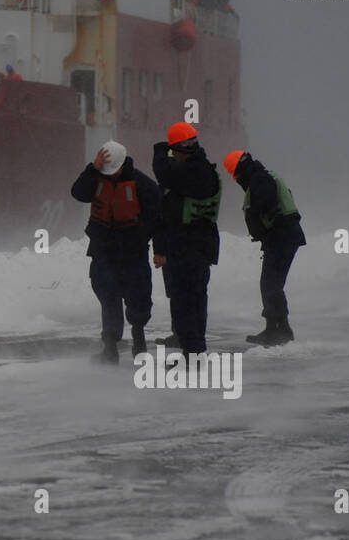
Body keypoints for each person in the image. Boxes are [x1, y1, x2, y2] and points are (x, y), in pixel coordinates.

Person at [71, 140, 161, 363]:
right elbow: (78, 193)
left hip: (133, 251)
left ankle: (138, 337)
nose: (110, 175)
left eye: (114, 171)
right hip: (103, 249)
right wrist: (93, 168)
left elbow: (159, 220)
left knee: (138, 297)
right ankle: (110, 347)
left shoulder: (144, 185)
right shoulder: (96, 178)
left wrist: (160, 250)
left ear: (123, 164)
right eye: (106, 171)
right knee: (107, 294)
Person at [152, 121, 221, 356]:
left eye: (173, 151)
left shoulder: (190, 172)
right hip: (202, 246)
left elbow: (163, 174)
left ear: (180, 150)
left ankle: (192, 354)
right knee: (197, 300)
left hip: (186, 247)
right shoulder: (205, 170)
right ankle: (196, 351)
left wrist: (160, 150)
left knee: (183, 303)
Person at [224, 150, 306, 346]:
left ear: (238, 171)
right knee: (272, 284)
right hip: (284, 236)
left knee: (270, 284)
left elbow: (266, 204)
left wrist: (257, 216)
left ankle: (277, 329)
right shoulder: (264, 176)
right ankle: (280, 328)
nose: (236, 180)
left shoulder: (259, 179)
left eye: (235, 175)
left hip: (282, 236)